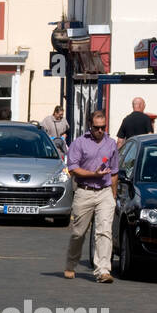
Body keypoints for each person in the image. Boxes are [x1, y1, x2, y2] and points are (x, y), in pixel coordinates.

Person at [64, 110, 118, 283]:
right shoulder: (79, 143)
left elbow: (115, 171)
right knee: (79, 233)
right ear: (90, 126)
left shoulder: (111, 144)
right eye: (97, 128)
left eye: (103, 127)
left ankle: (103, 270)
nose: (100, 131)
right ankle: (71, 264)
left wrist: (113, 194)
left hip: (104, 192)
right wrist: (92, 174)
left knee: (104, 232)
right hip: (84, 191)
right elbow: (73, 168)